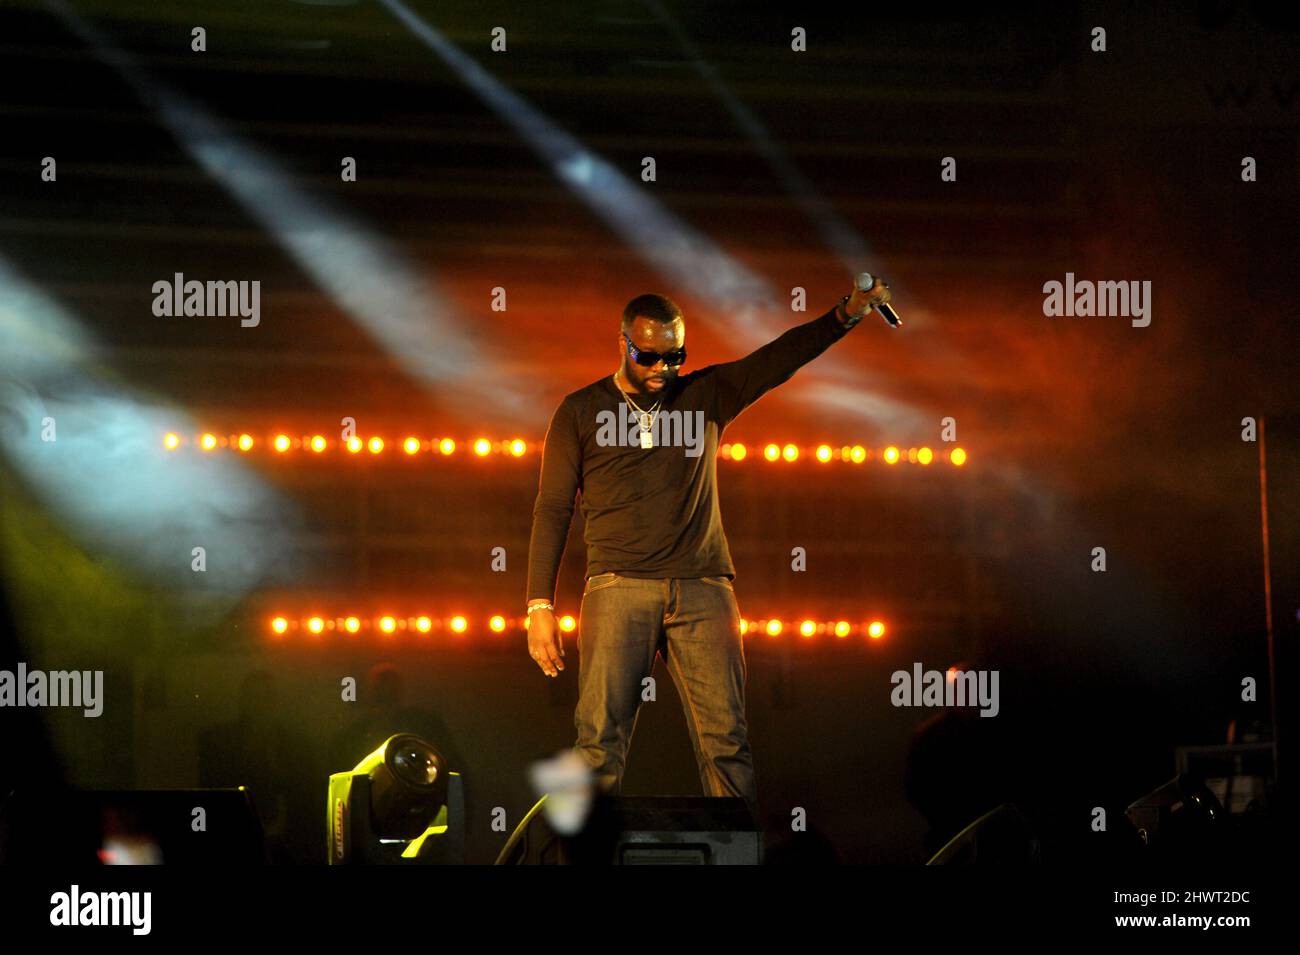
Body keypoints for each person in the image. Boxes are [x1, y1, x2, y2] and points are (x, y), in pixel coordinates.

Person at [524, 278, 891, 816]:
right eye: (648, 356)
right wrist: (539, 605)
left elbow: (777, 358)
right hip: (618, 586)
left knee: (727, 742)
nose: (661, 368)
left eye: (674, 356)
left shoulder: (706, 395)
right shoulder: (579, 411)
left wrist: (845, 314)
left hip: (703, 588)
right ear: (624, 343)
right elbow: (552, 509)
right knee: (598, 745)